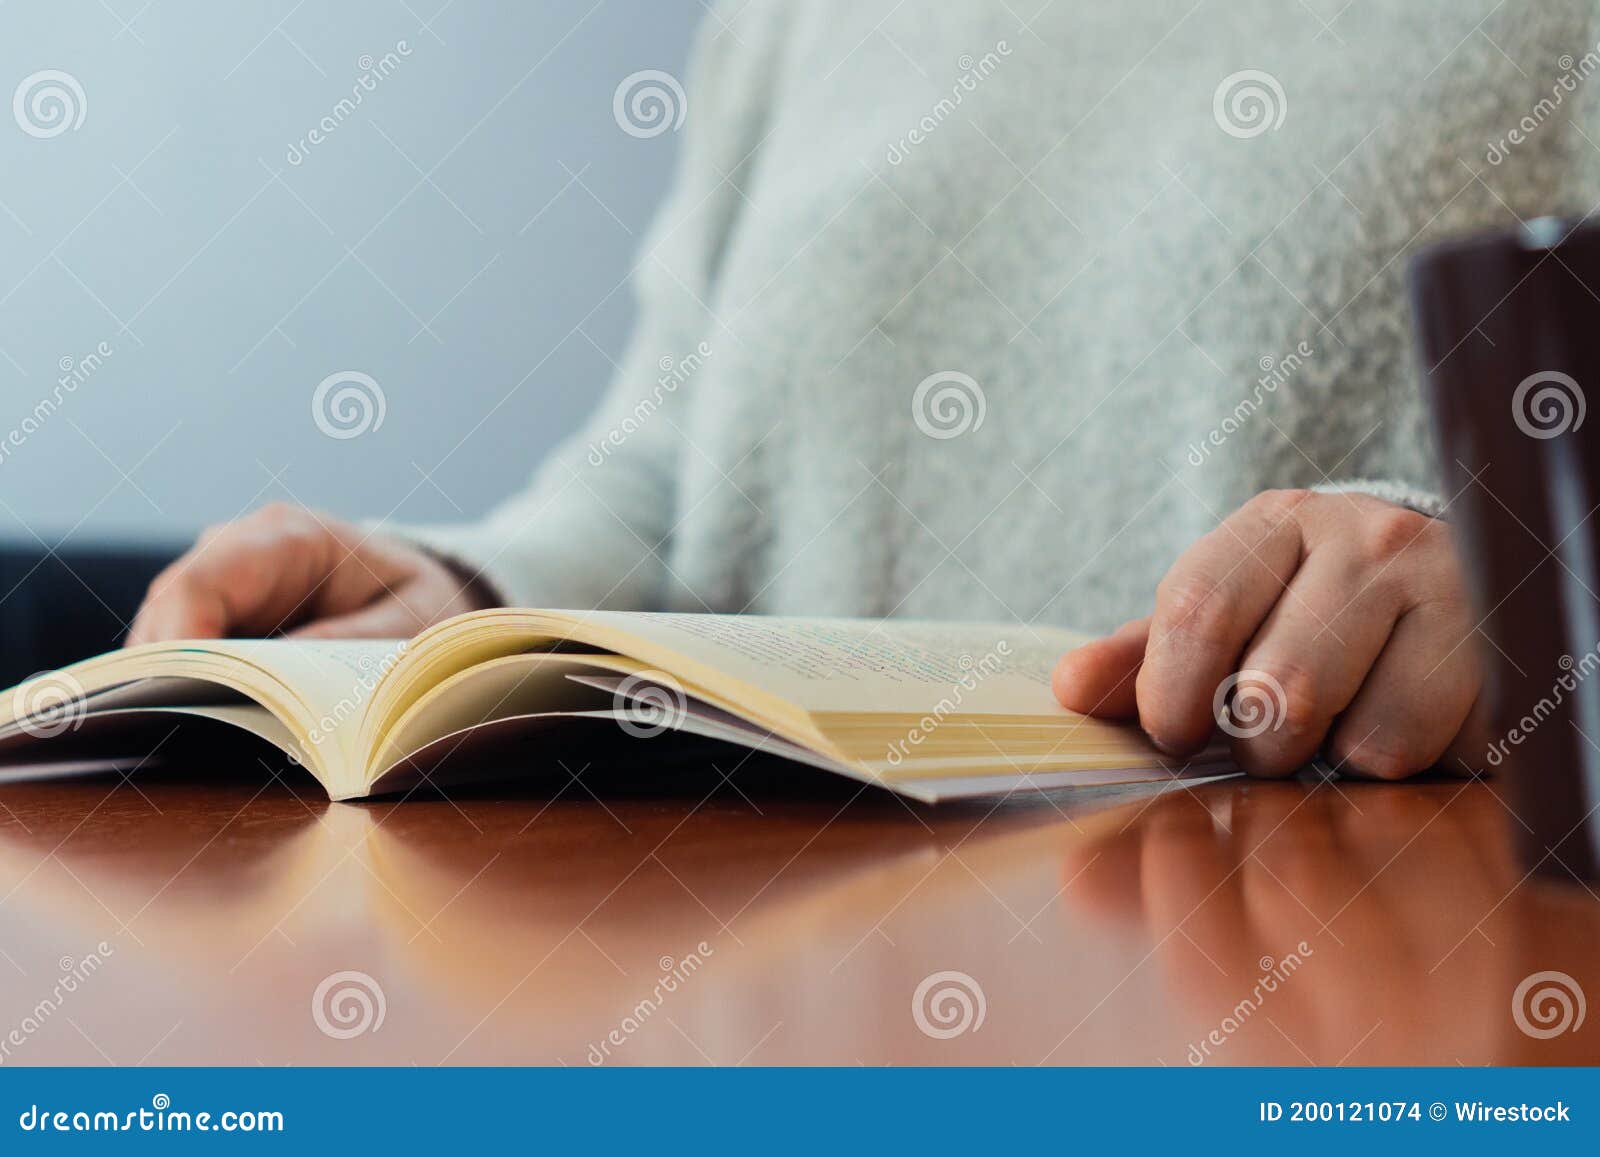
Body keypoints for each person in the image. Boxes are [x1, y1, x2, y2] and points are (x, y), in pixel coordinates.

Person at [127, 1, 1574, 781]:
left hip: (1280, 960)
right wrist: (458, 596)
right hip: (760, 961)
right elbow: (667, 470)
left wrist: (1511, 581)